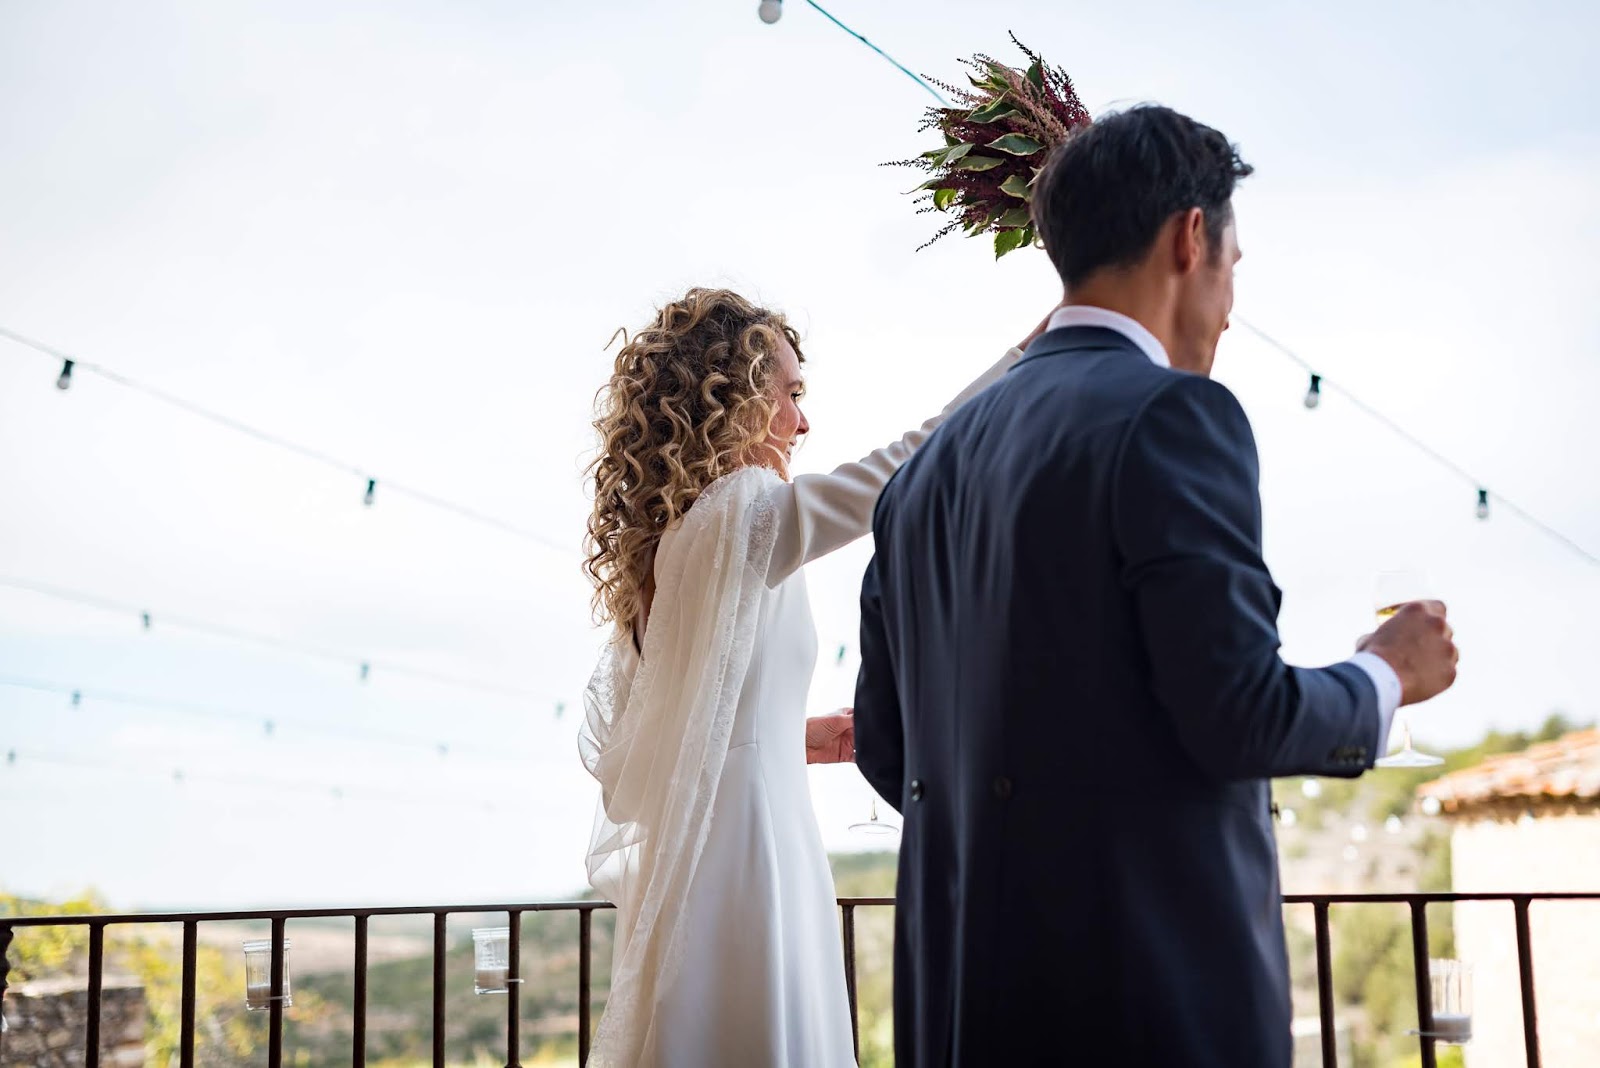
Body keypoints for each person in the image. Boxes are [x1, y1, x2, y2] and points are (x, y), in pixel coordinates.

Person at [853, 106, 1460, 1067]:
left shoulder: (921, 477)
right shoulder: (1176, 415)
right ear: (1191, 238)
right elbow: (1240, 715)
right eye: (1235, 266)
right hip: (1150, 1008)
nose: (1227, 305)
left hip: (965, 1013)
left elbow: (893, 752)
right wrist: (1387, 675)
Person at [579, 286, 1043, 1066]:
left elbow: (671, 735)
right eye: (789, 394)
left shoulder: (684, 539)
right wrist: (1030, 359)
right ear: (729, 401)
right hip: (750, 858)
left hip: (719, 847)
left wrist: (791, 735)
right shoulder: (743, 510)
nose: (803, 421)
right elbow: (903, 467)